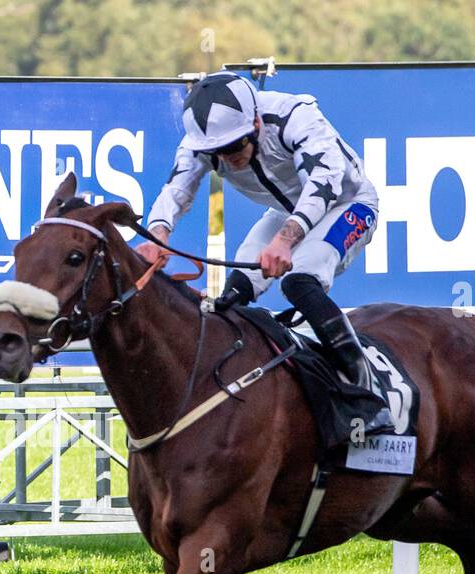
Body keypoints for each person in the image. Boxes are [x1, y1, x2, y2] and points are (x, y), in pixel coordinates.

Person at [139, 70, 392, 434]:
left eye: (235, 147)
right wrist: (157, 238)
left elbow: (323, 185)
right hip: (286, 210)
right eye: (217, 154)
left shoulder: (296, 117)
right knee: (234, 294)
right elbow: (176, 191)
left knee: (300, 282)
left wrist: (286, 241)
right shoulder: (202, 142)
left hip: (346, 203)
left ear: (256, 122)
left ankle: (368, 392)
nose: (228, 158)